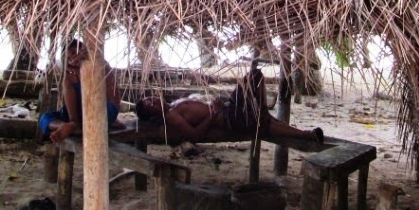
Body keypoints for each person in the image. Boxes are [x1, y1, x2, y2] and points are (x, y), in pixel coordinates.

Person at [135, 64, 323, 144]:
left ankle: (263, 111)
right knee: (264, 124)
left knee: (255, 76)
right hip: (226, 118)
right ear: (154, 114)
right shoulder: (171, 116)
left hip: (226, 108)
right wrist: (212, 112)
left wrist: (214, 104)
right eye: (151, 105)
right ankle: (307, 136)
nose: (153, 101)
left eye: (150, 99)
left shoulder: (173, 104)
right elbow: (194, 135)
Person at [39, 39, 122, 144]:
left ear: (83, 49)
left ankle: (77, 129)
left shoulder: (101, 64)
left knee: (99, 120)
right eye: (68, 58)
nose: (73, 58)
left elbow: (111, 98)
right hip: (80, 116)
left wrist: (85, 77)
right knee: (45, 118)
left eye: (74, 52)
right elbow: (73, 115)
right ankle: (69, 126)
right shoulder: (70, 77)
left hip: (101, 111)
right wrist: (73, 122)